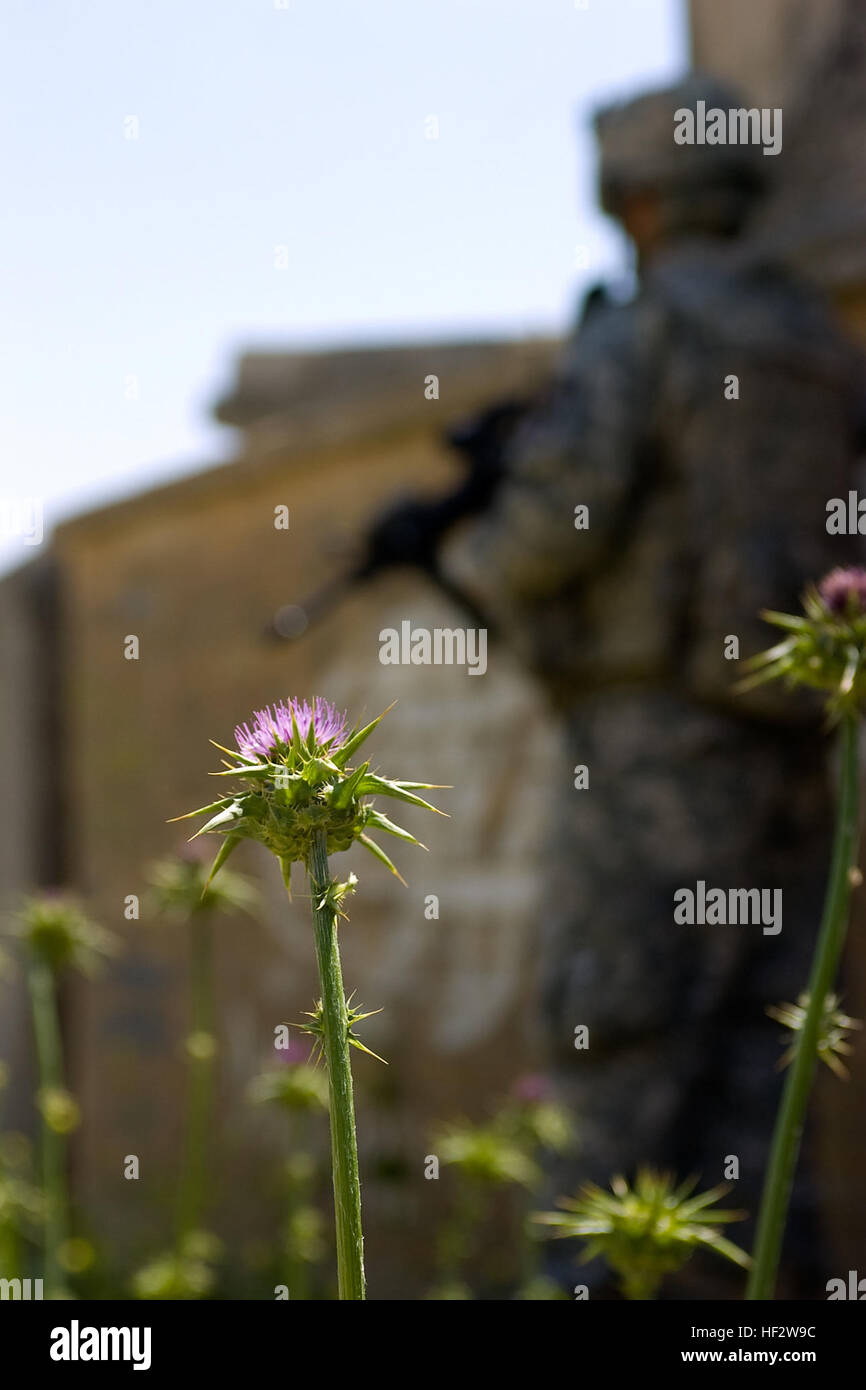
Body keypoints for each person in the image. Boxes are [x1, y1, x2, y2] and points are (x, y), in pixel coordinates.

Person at [430, 74, 865, 1296]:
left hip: (653, 757)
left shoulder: (649, 329)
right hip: (800, 754)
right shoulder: (818, 347)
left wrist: (468, 555)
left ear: (634, 199)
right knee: (760, 1099)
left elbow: (558, 526)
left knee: (610, 1073)